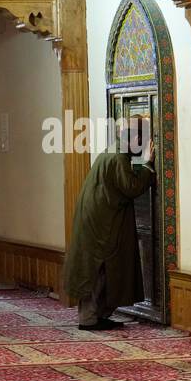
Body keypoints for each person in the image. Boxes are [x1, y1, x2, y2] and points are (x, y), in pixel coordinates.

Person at [62, 118, 155, 330]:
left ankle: (97, 316)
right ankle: (89, 319)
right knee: (99, 270)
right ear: (137, 138)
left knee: (104, 270)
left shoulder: (112, 151)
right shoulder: (119, 158)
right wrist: (149, 165)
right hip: (102, 226)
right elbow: (131, 187)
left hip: (99, 221)